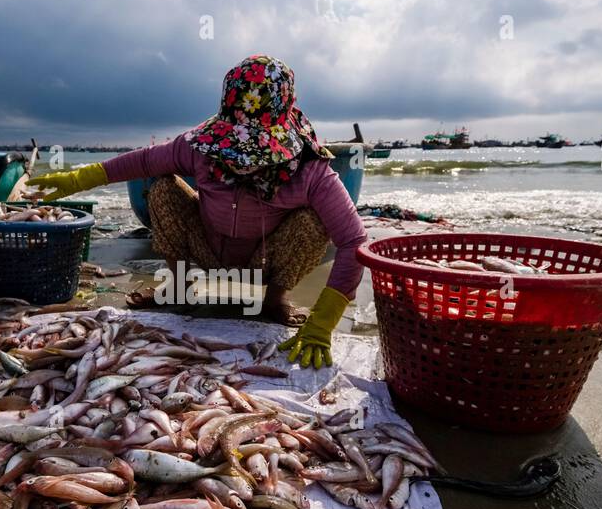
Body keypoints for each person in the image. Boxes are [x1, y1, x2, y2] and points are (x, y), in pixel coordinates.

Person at [26, 54, 366, 370]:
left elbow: (353, 241)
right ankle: (180, 286)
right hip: (206, 246)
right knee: (163, 187)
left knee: (313, 221)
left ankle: (276, 298)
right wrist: (79, 178)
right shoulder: (199, 148)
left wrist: (323, 323)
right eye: (233, 149)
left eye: (252, 152)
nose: (240, 162)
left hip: (264, 261)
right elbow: (143, 160)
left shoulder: (310, 169)